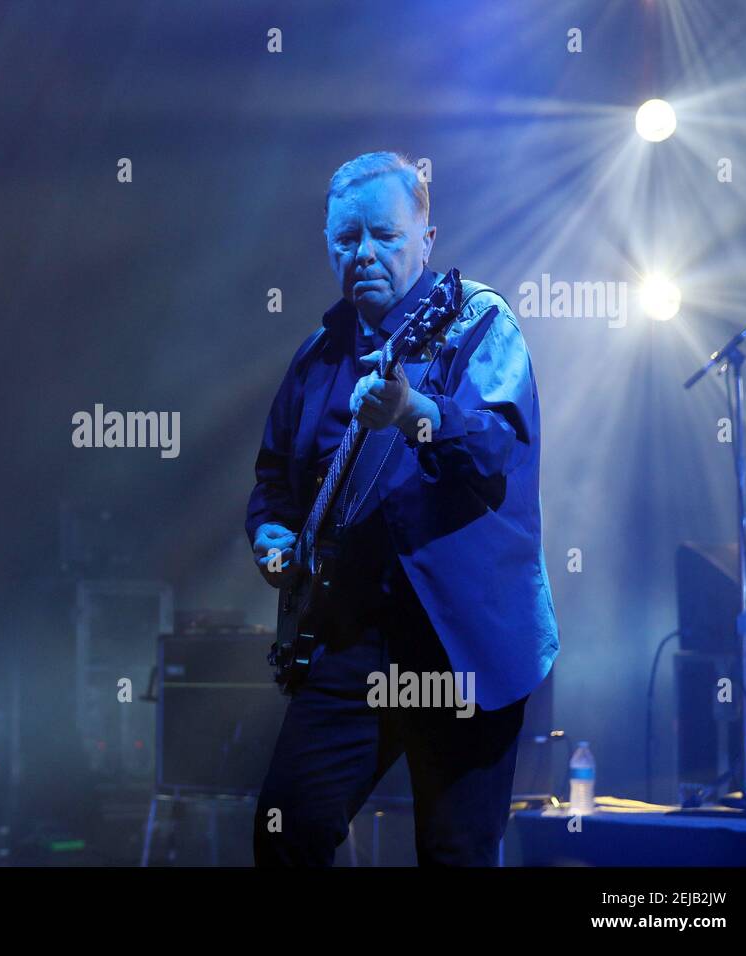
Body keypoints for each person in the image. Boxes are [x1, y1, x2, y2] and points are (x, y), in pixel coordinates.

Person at [247, 151, 560, 866]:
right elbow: (273, 480)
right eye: (346, 240)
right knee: (284, 831)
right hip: (352, 640)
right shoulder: (316, 359)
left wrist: (417, 411)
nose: (363, 254)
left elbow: (492, 455)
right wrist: (270, 531)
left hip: (464, 642)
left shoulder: (477, 322)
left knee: (455, 852)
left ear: (426, 236)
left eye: (384, 236)